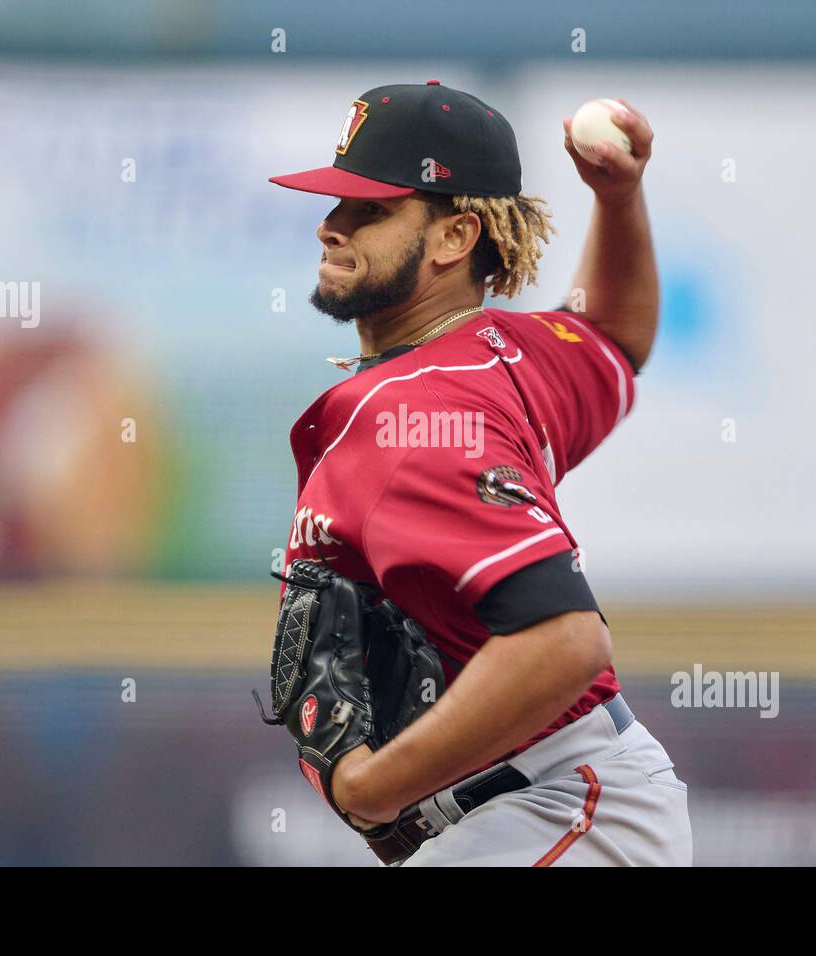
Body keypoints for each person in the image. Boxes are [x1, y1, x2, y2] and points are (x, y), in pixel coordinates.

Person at [267, 80, 691, 866]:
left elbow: (566, 642)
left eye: (371, 210)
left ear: (454, 237)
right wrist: (620, 200)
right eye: (336, 204)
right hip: (554, 809)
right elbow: (615, 337)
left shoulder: (412, 414)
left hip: (555, 805)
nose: (331, 227)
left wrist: (371, 790)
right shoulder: (508, 353)